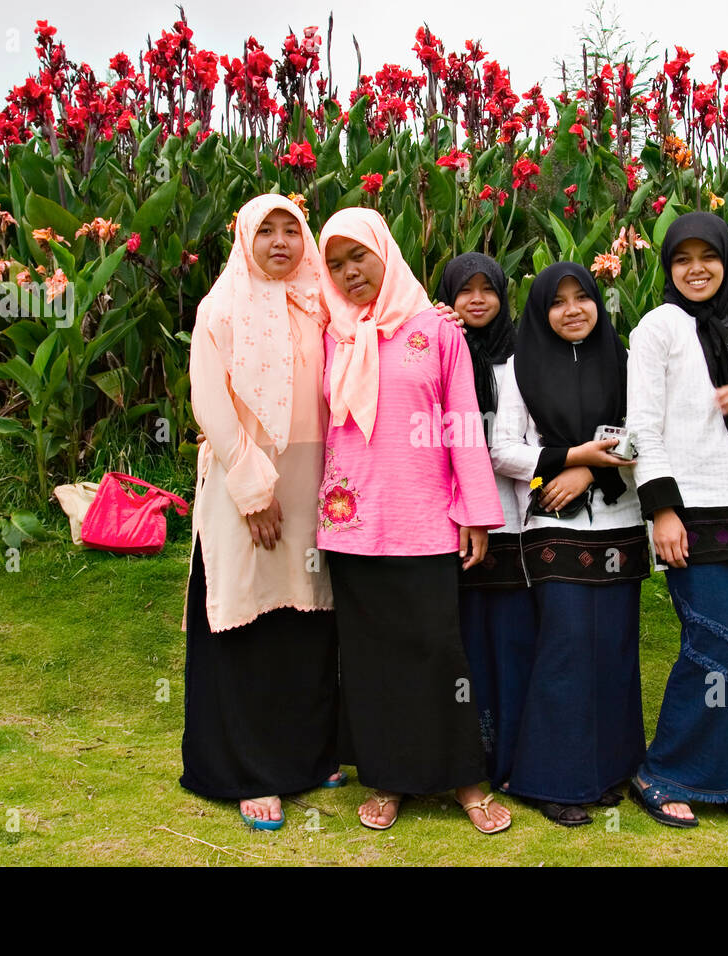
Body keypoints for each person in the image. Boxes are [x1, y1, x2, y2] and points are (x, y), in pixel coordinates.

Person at [316, 208, 512, 834]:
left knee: (437, 650)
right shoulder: (330, 332)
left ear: (385, 252)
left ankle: (465, 779)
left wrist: (476, 512)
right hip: (350, 520)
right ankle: (387, 777)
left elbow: (462, 425)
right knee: (370, 655)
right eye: (336, 263)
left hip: (426, 518)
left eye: (359, 258)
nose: (349, 274)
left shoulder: (437, 330)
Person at [180, 194, 345, 831]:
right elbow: (211, 406)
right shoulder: (220, 306)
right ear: (245, 237)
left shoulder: (319, 302)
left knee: (306, 615)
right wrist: (253, 490)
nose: (281, 242)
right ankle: (251, 771)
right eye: (266, 230)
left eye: (292, 230)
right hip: (244, 481)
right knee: (245, 618)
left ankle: (309, 754)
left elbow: (379, 333)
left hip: (312, 483)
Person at [626, 211, 728, 830]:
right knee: (710, 649)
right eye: (682, 259)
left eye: (707, 257)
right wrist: (662, 512)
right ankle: (664, 772)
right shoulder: (656, 329)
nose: (696, 269)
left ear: (725, 260)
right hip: (688, 510)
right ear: (669, 268)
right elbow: (641, 428)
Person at [489, 261, 651, 827]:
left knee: (613, 648)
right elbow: (502, 450)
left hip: (621, 518)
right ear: (540, 311)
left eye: (582, 297)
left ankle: (608, 772)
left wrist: (586, 469)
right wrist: (571, 458)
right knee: (565, 647)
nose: (573, 309)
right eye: (557, 302)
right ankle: (551, 779)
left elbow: (645, 432)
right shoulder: (516, 369)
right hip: (552, 525)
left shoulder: (627, 362)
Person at [435, 253, 534, 791]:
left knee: (512, 646)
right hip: (446, 524)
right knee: (464, 648)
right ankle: (468, 758)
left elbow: (521, 443)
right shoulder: (435, 350)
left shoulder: (521, 358)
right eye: (464, 290)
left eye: (487, 289)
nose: (476, 299)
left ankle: (511, 761)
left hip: (510, 526)